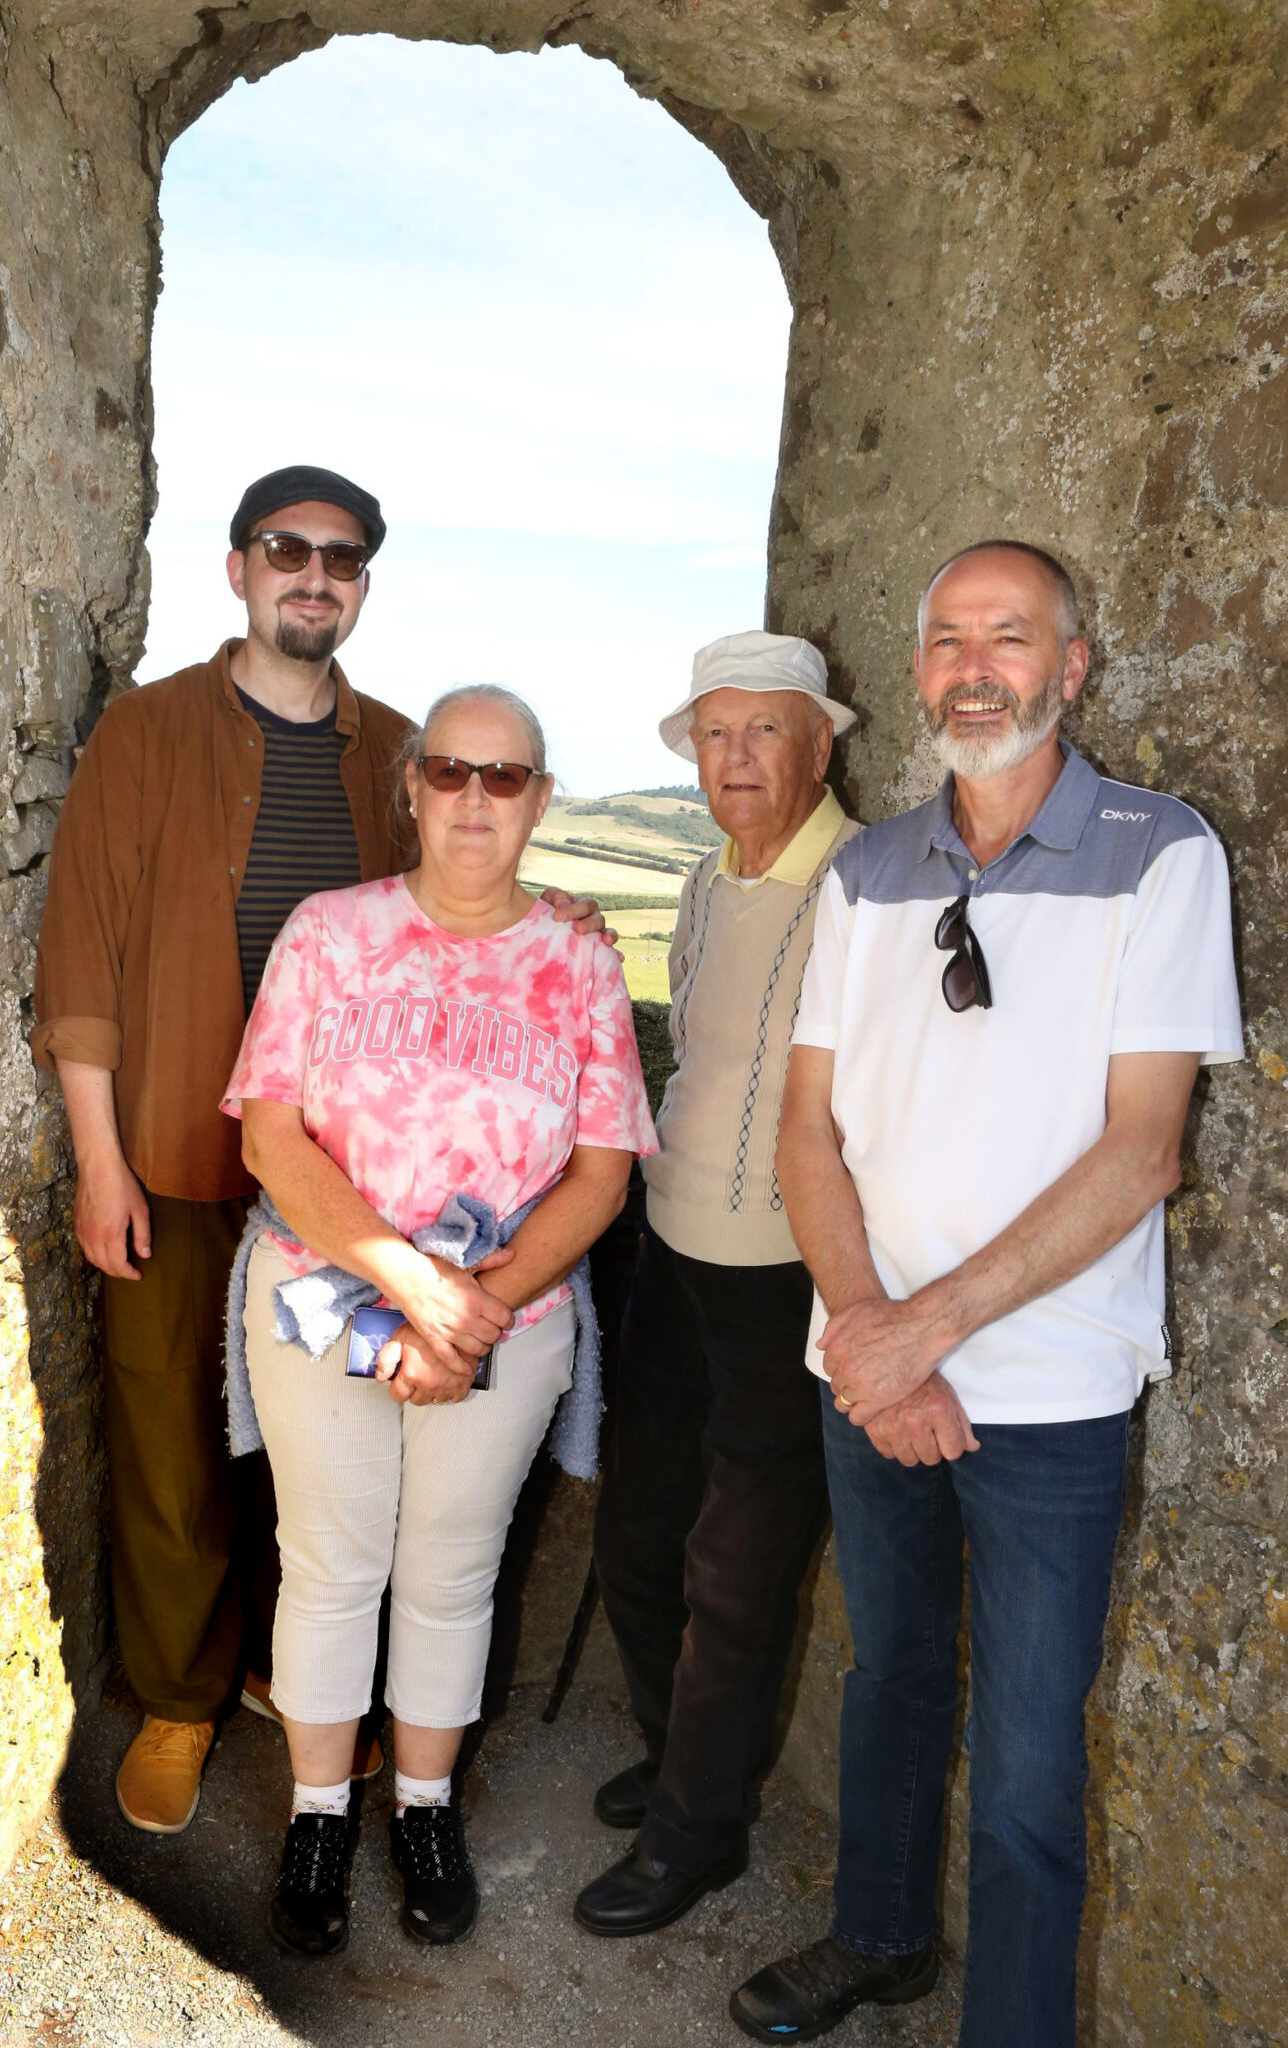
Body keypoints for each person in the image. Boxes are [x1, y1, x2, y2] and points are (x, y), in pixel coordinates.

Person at [30, 466, 605, 1837]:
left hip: (363, 1185)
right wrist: (99, 1157)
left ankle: (310, 1696)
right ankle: (180, 1701)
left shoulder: (401, 746)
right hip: (178, 1148)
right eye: (287, 549)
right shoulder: (147, 733)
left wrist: (559, 908)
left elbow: (475, 887)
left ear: (362, 586)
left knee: (328, 1478)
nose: (314, 574)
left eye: (342, 558)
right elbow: (83, 959)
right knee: (172, 1437)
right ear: (239, 568)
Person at [730, 542, 1243, 2046]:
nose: (975, 666)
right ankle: (879, 1939)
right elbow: (804, 1133)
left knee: (1025, 1767)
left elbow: (1139, 1154)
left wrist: (915, 1335)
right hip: (871, 1374)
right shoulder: (865, 872)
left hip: (1045, 1401)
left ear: (1068, 667)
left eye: (1007, 637)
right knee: (888, 1676)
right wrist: (871, 1345)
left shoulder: (1161, 854)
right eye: (948, 636)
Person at [222, 683, 658, 1957]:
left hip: (504, 1321)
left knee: (452, 1569)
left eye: (506, 777)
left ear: (538, 801)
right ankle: (317, 1811)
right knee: (331, 1561)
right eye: (453, 771)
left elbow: (600, 1172)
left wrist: (470, 1312)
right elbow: (269, 1132)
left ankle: (420, 1807)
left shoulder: (581, 957)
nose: (476, 798)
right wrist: (414, 1290)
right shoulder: (329, 932)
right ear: (410, 785)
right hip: (325, 1302)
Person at [575, 631, 858, 1938]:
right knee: (635, 1534)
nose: (734, 760)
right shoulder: (698, 879)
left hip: (783, 1283)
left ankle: (699, 1833)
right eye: (714, 735)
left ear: (820, 741)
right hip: (670, 1250)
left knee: (737, 1571)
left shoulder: (868, 891)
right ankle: (678, 1751)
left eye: (764, 731)